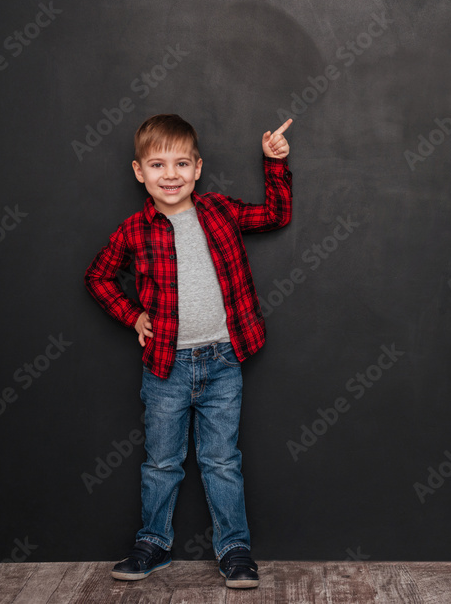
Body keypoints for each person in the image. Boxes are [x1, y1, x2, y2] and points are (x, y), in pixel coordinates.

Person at [84, 113, 293, 588]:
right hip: (166, 367)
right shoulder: (134, 231)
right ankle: (153, 542)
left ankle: (235, 548)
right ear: (139, 172)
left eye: (182, 163)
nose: (171, 174)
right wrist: (133, 315)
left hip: (223, 362)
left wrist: (274, 163)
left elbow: (275, 215)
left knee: (222, 460)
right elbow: (96, 277)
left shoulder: (219, 211)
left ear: (198, 168)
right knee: (162, 461)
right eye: (158, 165)